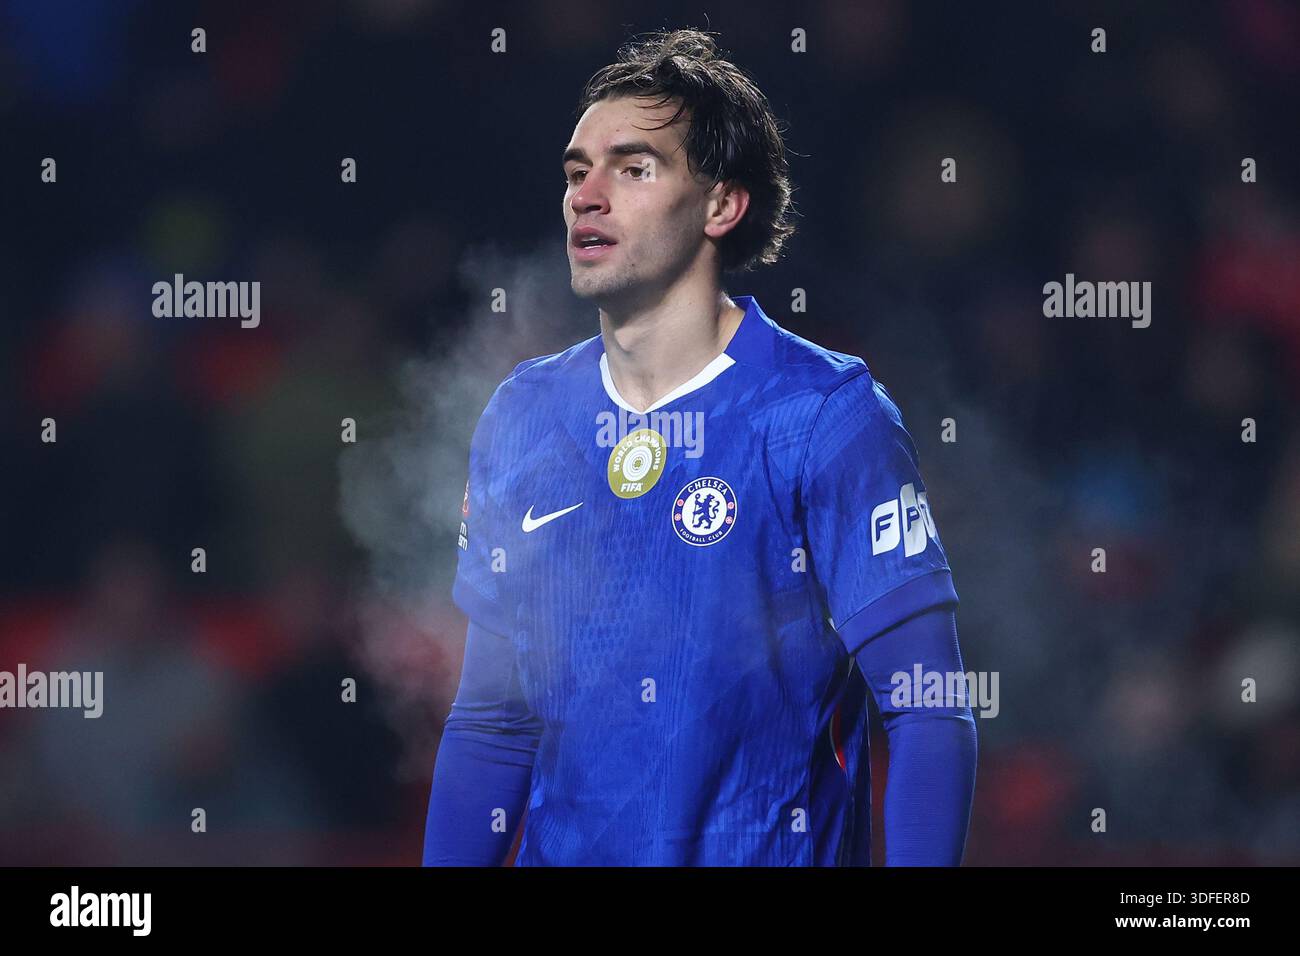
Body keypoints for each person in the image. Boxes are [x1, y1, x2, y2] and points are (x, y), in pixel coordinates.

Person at [423, 28, 976, 866]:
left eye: (633, 168)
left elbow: (929, 706)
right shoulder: (525, 416)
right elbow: (495, 725)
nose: (587, 195)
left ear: (721, 205)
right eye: (577, 172)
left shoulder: (822, 414)